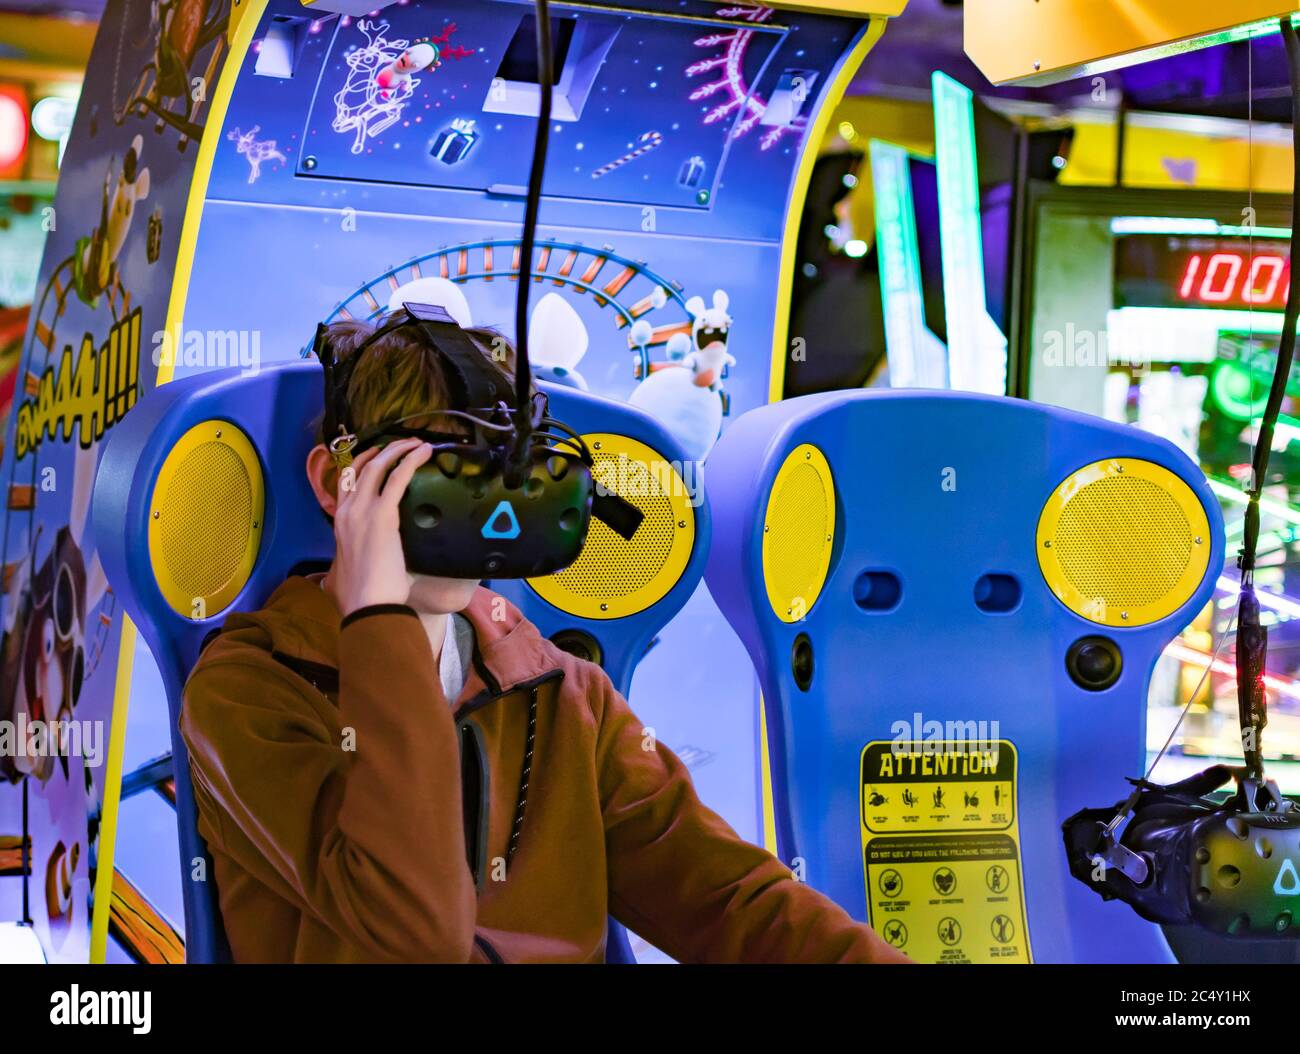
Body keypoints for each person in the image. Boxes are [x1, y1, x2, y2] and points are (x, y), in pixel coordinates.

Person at [180, 313, 911, 964]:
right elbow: (409, 932)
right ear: (336, 484)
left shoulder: (566, 694)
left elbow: (732, 902)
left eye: (496, 472)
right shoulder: (247, 691)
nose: (476, 512)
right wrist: (379, 617)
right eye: (437, 471)